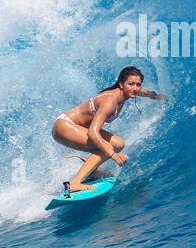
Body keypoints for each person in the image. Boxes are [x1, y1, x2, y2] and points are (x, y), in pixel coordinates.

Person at [51, 65, 166, 193]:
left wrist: (156, 96)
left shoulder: (129, 91)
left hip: (74, 127)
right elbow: (93, 133)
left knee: (118, 143)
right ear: (121, 84)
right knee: (111, 147)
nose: (135, 88)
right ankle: (74, 183)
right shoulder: (110, 101)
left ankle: (92, 172)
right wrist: (113, 155)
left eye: (138, 84)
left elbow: (141, 91)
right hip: (64, 127)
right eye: (131, 84)